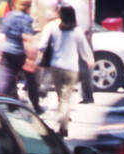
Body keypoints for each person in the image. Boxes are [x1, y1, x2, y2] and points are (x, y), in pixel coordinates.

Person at [36, 4, 92, 136]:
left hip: (56, 66)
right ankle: (63, 126)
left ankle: (62, 123)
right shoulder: (77, 31)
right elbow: (84, 49)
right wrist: (90, 60)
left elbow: (42, 46)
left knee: (61, 97)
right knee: (66, 98)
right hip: (71, 68)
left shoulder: (51, 27)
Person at [0, 0, 42, 114]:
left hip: (8, 51)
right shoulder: (27, 19)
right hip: (21, 53)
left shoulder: (9, 16)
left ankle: (2, 105)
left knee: (7, 79)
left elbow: (4, 36)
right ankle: (36, 106)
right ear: (28, 6)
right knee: (31, 81)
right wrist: (31, 59)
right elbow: (27, 39)